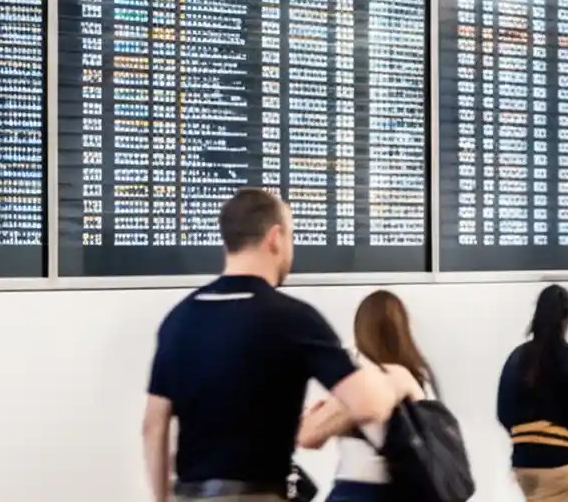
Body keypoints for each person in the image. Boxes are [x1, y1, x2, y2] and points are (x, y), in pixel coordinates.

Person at [141, 188, 414, 502]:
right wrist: (393, 380)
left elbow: (154, 424)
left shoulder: (180, 318)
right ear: (275, 238)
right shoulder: (292, 318)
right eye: (291, 237)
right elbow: (369, 405)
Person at [296, 290, 430, 501]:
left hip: (358, 490)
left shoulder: (364, 382)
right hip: (409, 491)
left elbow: (309, 437)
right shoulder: (418, 378)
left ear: (361, 331)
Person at [497, 284, 568, 502]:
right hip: (566, 461)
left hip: (525, 462)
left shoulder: (516, 358)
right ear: (567, 319)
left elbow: (503, 412)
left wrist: (528, 436)